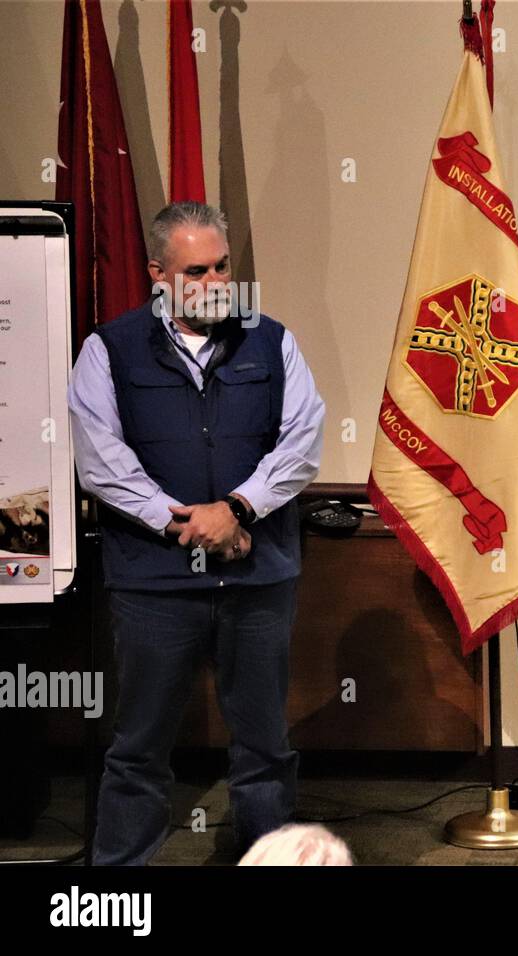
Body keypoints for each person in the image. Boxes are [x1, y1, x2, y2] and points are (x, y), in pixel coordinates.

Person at [68, 201, 326, 865]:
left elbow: (301, 443)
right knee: (139, 748)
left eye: (222, 267)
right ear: (158, 274)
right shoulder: (109, 349)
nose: (215, 283)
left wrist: (235, 510)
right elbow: (102, 463)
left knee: (265, 748)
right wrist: (190, 524)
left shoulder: (271, 340)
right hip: (154, 584)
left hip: (258, 574)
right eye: (196, 272)